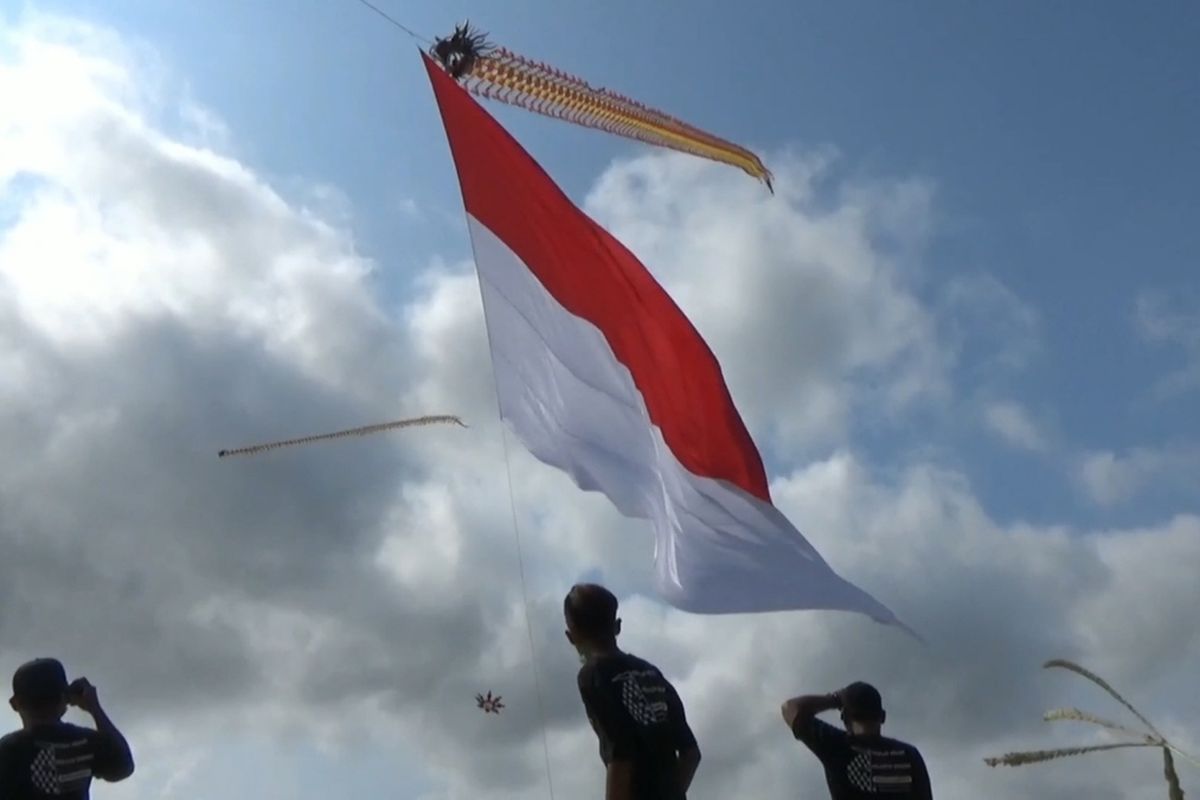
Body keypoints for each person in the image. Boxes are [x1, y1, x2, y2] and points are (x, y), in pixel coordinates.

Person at [565, 583, 701, 800]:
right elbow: (691, 753)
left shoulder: (593, 677)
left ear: (571, 637)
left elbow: (620, 755)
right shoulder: (651, 672)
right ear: (617, 626)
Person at [0, 658, 134, 798]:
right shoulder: (85, 742)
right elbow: (123, 767)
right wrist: (94, 708)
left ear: (15, 703)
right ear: (65, 699)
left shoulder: (8, 750)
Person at [781, 681, 932, 799]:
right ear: (883, 716)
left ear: (844, 718)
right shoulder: (909, 754)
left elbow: (790, 709)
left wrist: (834, 699)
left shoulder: (835, 745)